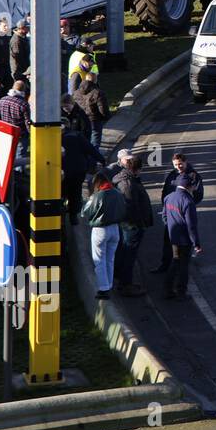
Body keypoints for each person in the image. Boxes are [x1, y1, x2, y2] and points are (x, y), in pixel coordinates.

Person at [111, 149, 154, 298]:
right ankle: (125, 284)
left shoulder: (125, 179)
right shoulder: (128, 184)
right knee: (128, 255)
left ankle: (122, 280)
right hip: (131, 225)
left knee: (125, 253)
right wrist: (140, 222)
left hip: (129, 224)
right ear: (136, 169)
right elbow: (130, 207)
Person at [80, 171, 126, 301]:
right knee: (110, 259)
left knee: (99, 260)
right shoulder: (117, 194)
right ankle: (109, 284)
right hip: (115, 229)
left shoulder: (97, 196)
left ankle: (103, 289)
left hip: (100, 230)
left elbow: (85, 212)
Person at [155, 153, 204, 275]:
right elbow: (165, 191)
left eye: (180, 164)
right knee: (168, 240)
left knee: (184, 242)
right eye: (176, 165)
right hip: (171, 213)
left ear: (185, 162)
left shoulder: (193, 176)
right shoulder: (173, 174)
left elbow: (198, 195)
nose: (178, 167)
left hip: (182, 212)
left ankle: (180, 267)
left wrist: (186, 203)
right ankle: (165, 264)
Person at [162, 175, 200, 301]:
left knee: (175, 261)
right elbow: (191, 226)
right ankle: (181, 291)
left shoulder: (169, 197)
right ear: (189, 187)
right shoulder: (188, 202)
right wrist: (196, 243)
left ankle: (167, 288)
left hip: (173, 237)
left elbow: (164, 216)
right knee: (183, 265)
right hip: (184, 240)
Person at [61, 121, 104, 227]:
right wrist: (101, 160)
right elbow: (90, 149)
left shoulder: (52, 138)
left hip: (62, 171)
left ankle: (61, 215)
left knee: (61, 192)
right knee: (75, 192)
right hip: (78, 170)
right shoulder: (77, 136)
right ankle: (73, 216)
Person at [72, 72, 109, 149]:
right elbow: (102, 108)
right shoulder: (98, 92)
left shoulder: (76, 93)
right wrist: (105, 117)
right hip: (94, 119)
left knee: (84, 140)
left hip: (81, 119)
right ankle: (93, 158)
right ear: (95, 80)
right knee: (95, 140)